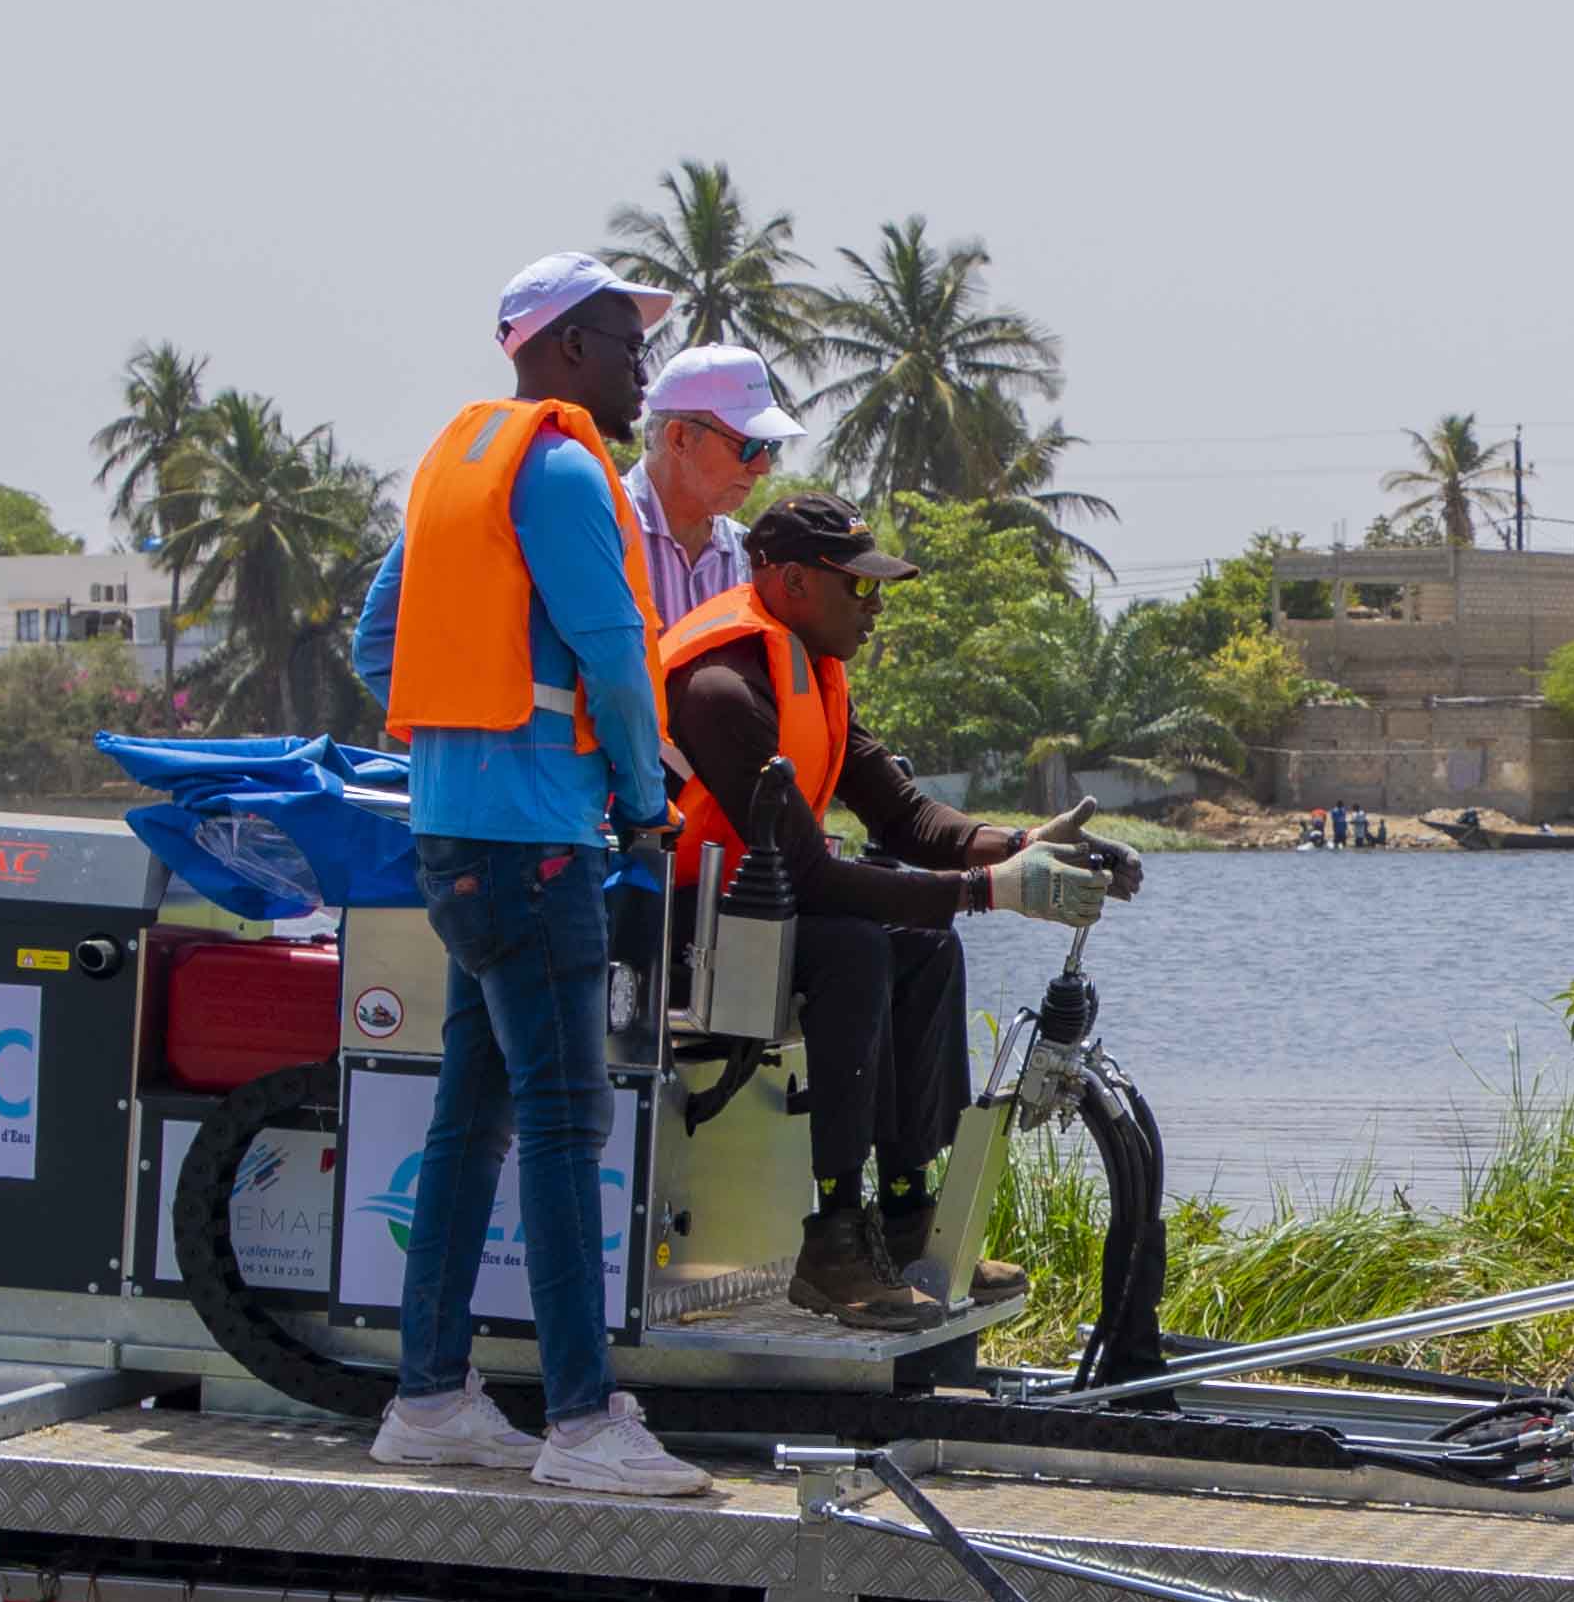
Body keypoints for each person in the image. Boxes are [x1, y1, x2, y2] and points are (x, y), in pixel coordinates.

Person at [335, 252, 707, 1499]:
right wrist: (646, 810)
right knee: (563, 1123)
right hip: (543, 842)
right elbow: (613, 651)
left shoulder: (455, 467)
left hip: (456, 839)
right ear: (559, 350)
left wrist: (461, 741)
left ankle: (431, 1397)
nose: (640, 365)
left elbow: (375, 643)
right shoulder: (559, 468)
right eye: (622, 340)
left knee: (473, 1114)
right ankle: (584, 1424)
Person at [654, 489, 1124, 1325]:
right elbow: (810, 875)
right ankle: (834, 1236)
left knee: (926, 948)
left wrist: (1023, 844)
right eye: (859, 588)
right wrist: (990, 891)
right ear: (794, 582)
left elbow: (907, 819)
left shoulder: (813, 670)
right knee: (855, 949)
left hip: (756, 913)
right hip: (674, 925)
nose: (875, 608)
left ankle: (909, 1213)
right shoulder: (723, 689)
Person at [630, 347, 794, 636]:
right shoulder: (602, 525)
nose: (763, 466)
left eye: (770, 446)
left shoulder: (746, 553)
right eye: (749, 447)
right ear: (679, 438)